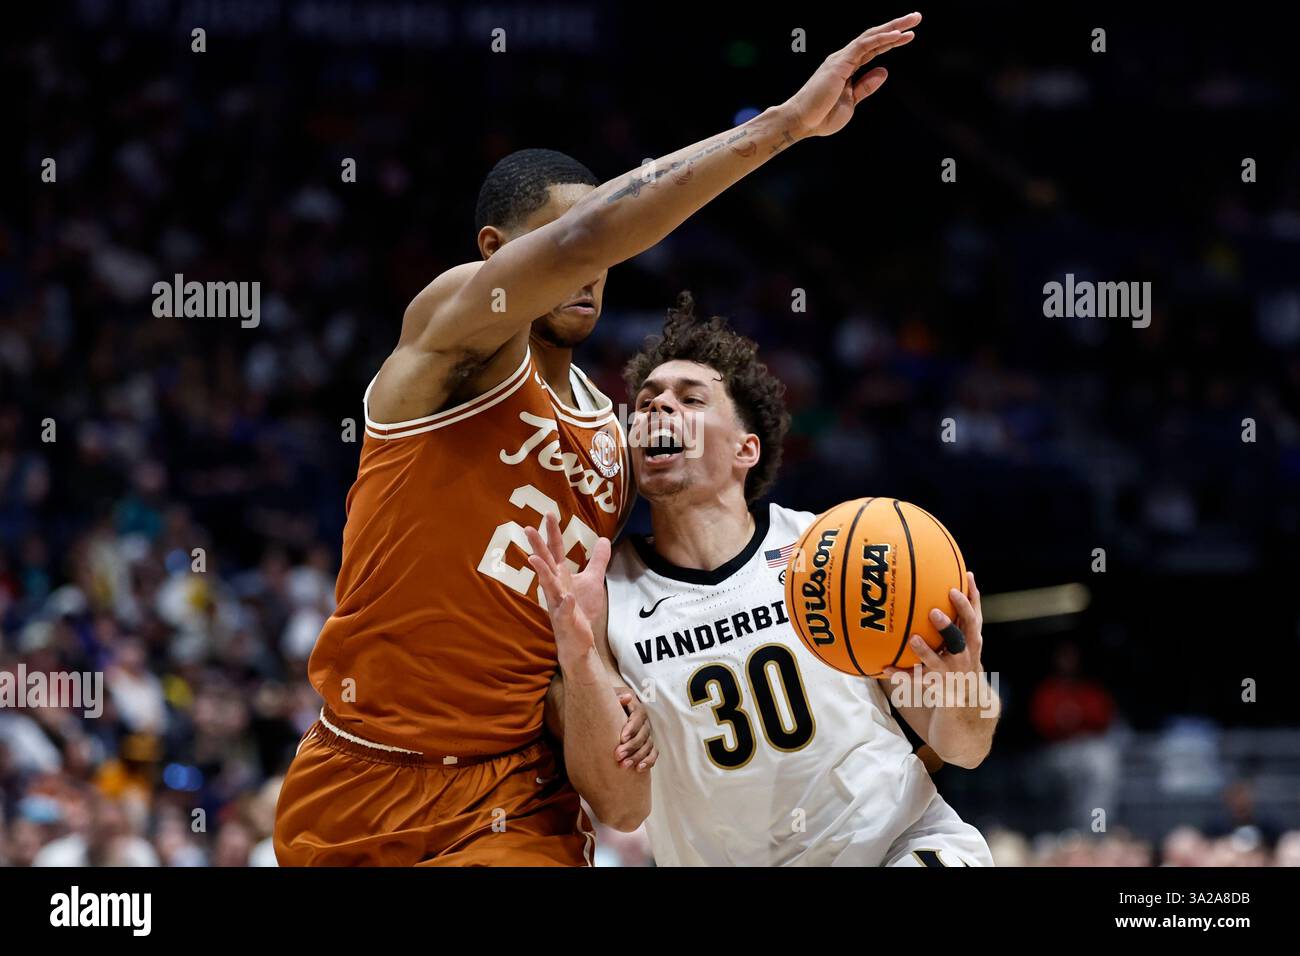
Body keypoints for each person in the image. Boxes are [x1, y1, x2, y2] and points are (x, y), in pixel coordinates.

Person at [274, 12, 926, 866]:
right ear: (497, 252)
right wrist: (782, 127)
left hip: (511, 794)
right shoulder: (446, 342)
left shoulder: (620, 448)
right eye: (561, 247)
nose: (590, 271)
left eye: (608, 258)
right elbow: (592, 232)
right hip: (357, 768)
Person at [527, 294, 998, 865]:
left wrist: (964, 684)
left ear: (745, 448)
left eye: (690, 399)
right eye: (645, 401)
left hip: (895, 844)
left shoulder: (835, 549)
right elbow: (620, 809)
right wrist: (581, 663)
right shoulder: (601, 595)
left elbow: (965, 747)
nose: (656, 409)